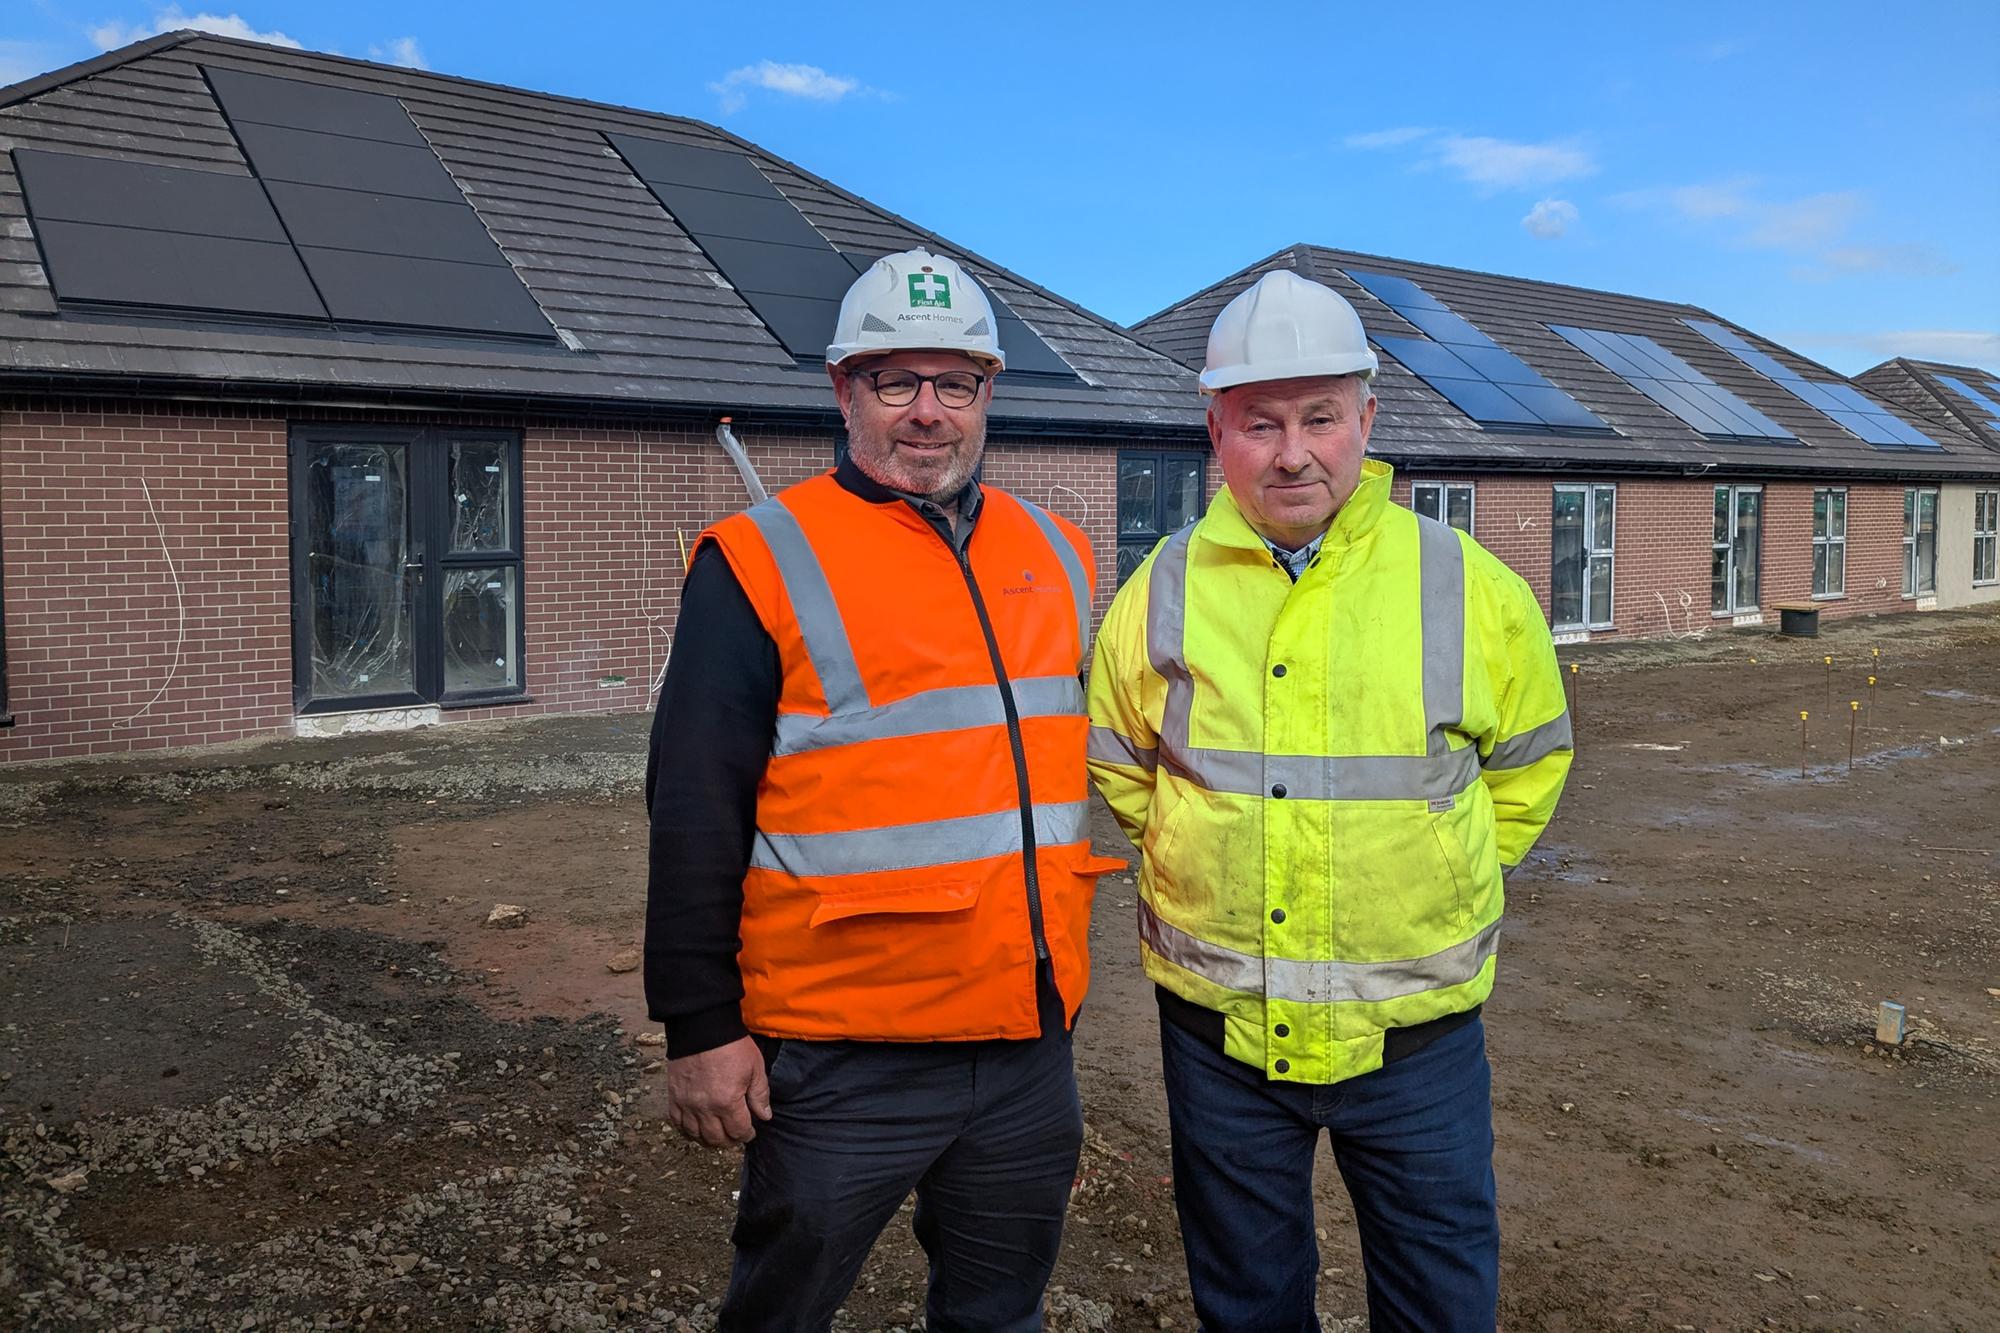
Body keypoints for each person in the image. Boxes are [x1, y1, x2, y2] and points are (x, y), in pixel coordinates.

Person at [644, 247, 1121, 1333]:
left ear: (987, 394)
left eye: (953, 384)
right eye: (894, 382)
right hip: (839, 1055)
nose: (926, 413)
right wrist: (698, 1026)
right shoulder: (756, 559)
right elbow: (690, 811)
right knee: (779, 1314)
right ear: (842, 390)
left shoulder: (1056, 552)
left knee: (1000, 1313)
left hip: (1022, 1046)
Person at [1086, 269, 1573, 1332]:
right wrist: (1192, 854)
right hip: (1218, 1032)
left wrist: (1448, 871)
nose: (1291, 451)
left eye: (1318, 417)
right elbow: (1122, 767)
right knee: (1247, 1300)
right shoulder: (1159, 589)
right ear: (1214, 429)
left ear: (1366, 417)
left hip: (1417, 1036)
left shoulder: (1467, 583)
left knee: (1439, 1297)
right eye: (1259, 421)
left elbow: (1529, 764)